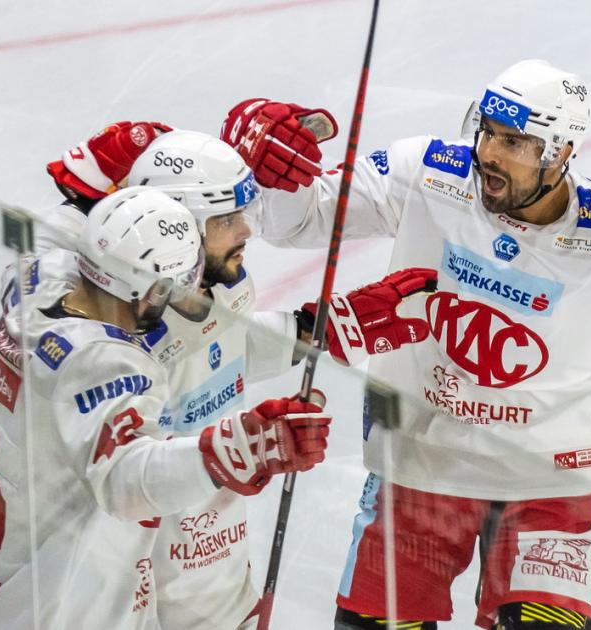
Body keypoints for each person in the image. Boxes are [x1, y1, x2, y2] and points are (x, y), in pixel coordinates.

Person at [219, 59, 591, 629]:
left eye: (514, 141)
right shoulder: (428, 171)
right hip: (421, 462)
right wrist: (272, 173)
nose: (489, 153)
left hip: (551, 478)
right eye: (487, 131)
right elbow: (299, 221)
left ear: (562, 152)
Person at [36, 126, 438, 628]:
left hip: (208, 544)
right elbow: (124, 475)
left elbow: (217, 350)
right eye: (229, 218)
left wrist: (313, 330)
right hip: (117, 552)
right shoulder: (112, 333)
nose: (247, 231)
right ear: (179, 223)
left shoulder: (221, 284)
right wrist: (239, 449)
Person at [0, 187, 333, 629]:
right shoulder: (108, 364)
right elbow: (126, 478)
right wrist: (232, 451)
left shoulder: (35, 288)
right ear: (151, 288)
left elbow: (53, 239)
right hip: (62, 607)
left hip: (2, 583)